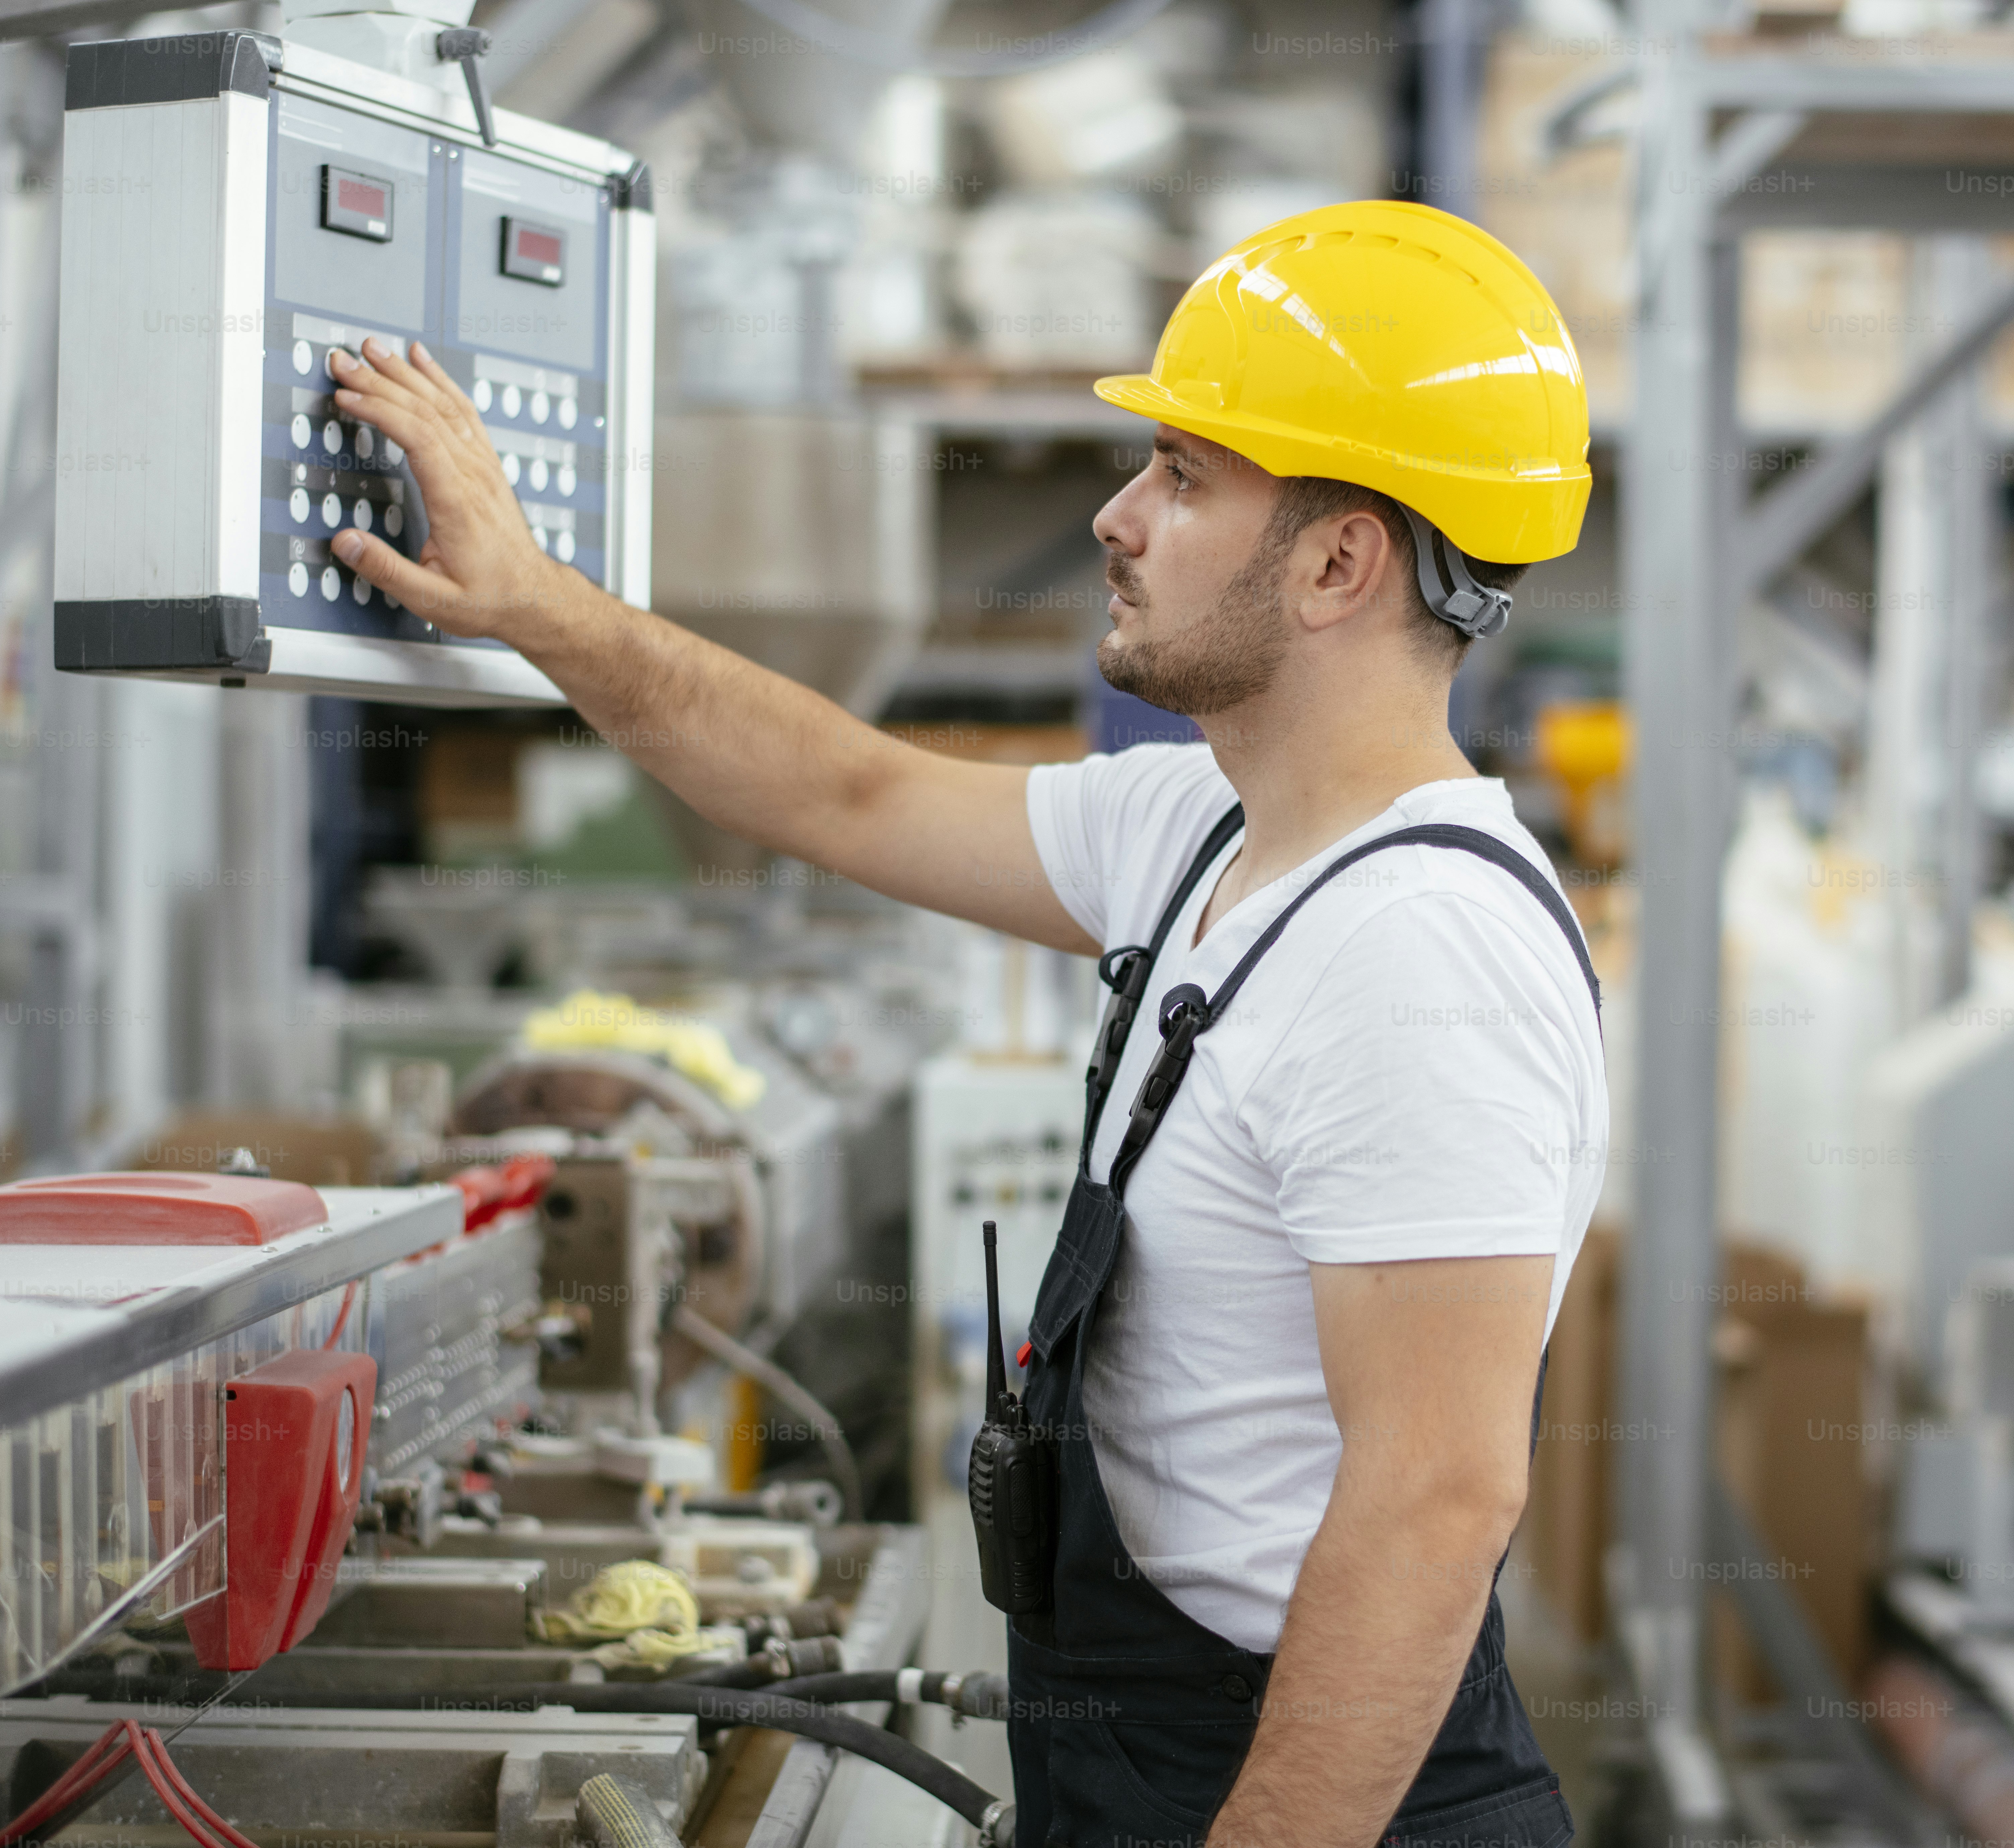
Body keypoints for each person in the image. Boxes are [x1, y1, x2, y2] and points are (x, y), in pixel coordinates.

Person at [330, 198, 1607, 1848]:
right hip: (1152, 1751)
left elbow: (1436, 1504)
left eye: (1187, 478)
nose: (1118, 515)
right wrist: (531, 599)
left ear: (1341, 562)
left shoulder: (1419, 954)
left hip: (1311, 1791)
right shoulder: (1202, 833)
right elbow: (844, 787)